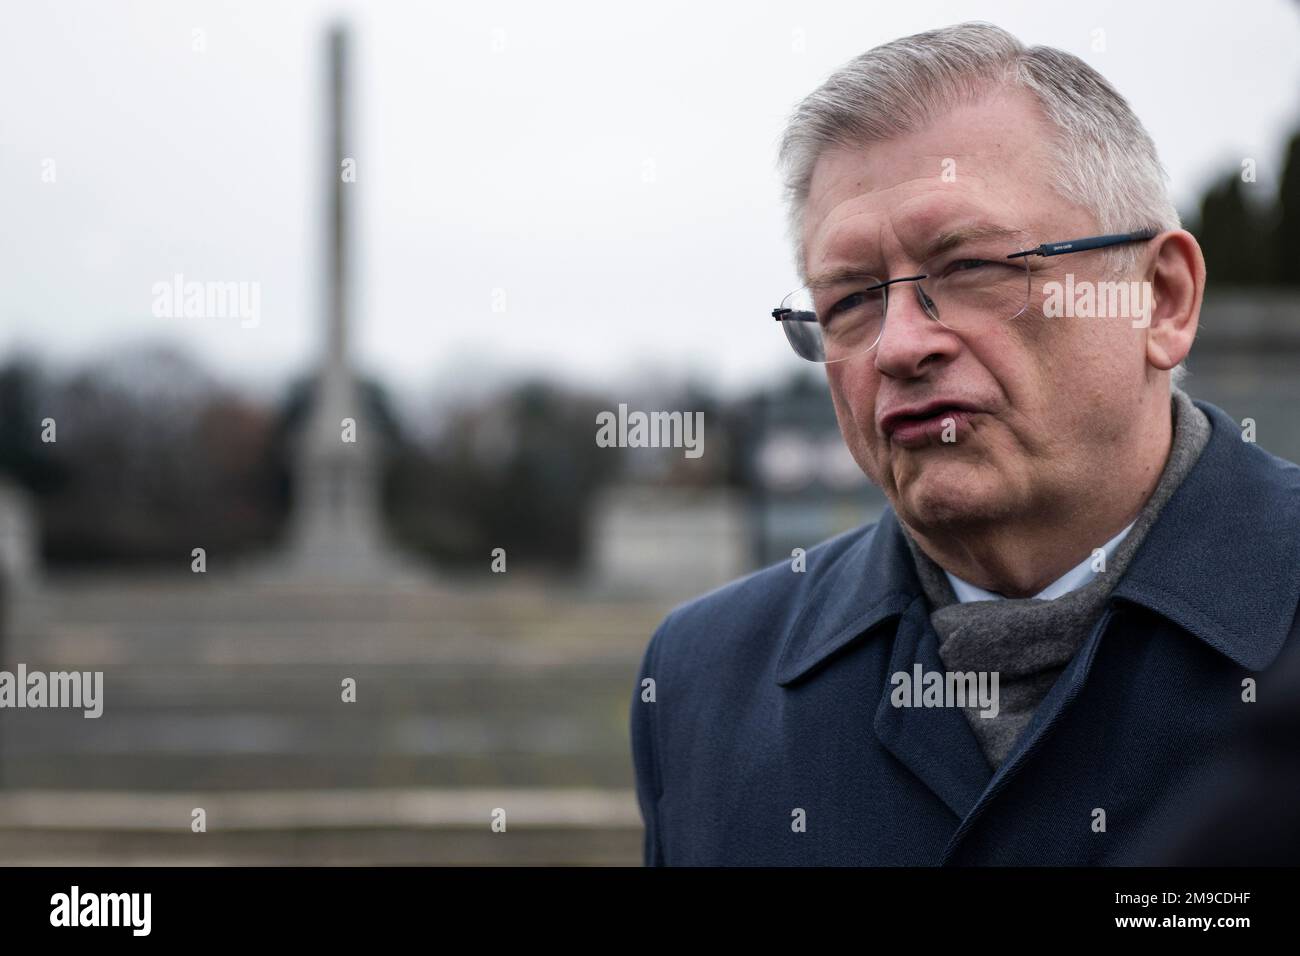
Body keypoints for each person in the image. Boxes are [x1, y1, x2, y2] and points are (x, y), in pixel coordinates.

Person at [629, 21, 1300, 865]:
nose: (900, 345)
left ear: (1160, 300)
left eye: (974, 268)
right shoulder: (702, 683)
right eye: (850, 299)